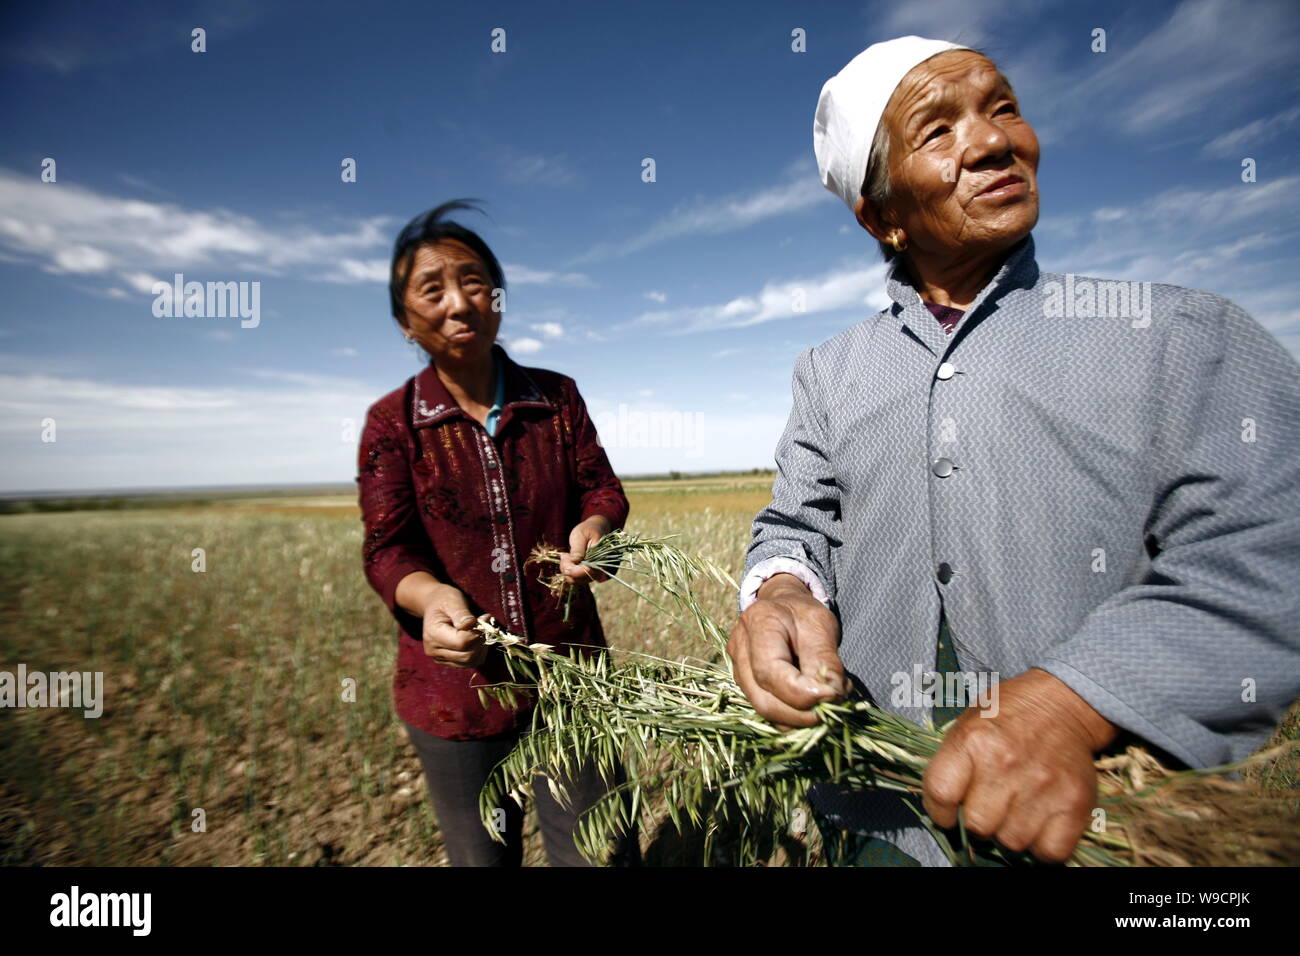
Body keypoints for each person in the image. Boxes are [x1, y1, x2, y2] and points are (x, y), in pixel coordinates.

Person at [727, 36, 1300, 866]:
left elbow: (1267, 549)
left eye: (1003, 107)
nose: (997, 140)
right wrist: (781, 589)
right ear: (881, 214)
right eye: (938, 130)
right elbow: (797, 521)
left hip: (1094, 827)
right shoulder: (830, 372)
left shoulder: (1179, 336)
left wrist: (1073, 705)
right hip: (878, 807)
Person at [357, 200, 637, 866]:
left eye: (475, 280)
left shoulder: (556, 398)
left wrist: (597, 529)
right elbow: (389, 548)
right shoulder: (392, 424)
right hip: (458, 695)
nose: (459, 303)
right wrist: (430, 600)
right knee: (483, 857)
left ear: (499, 296)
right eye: (433, 289)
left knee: (601, 851)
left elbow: (602, 489)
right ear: (406, 323)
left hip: (573, 681)